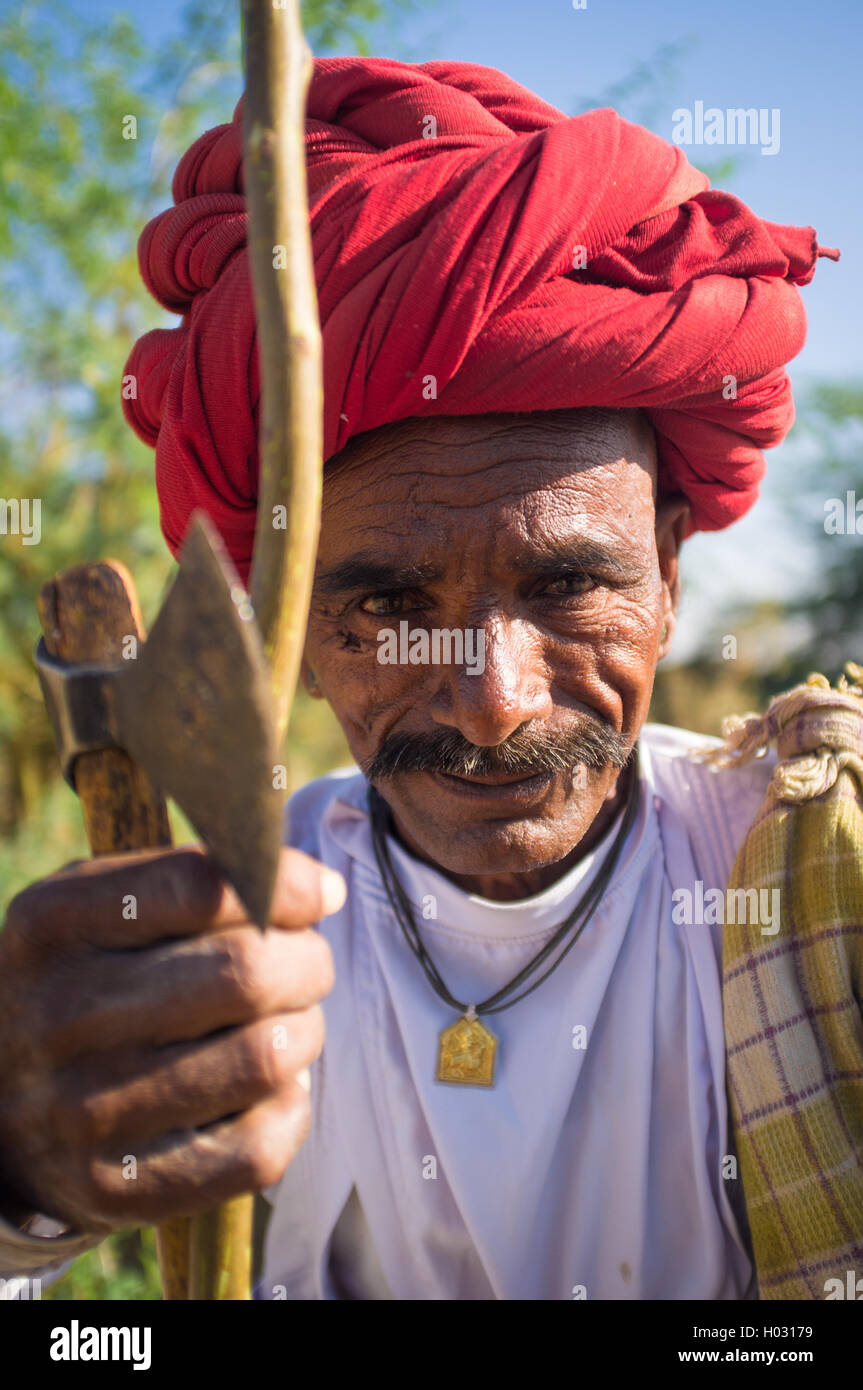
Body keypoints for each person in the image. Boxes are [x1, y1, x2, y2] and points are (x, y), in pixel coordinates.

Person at [0, 58, 852, 1301]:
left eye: (568, 586)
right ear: (288, 629)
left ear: (668, 573)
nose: (493, 702)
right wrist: (22, 1179)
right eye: (387, 606)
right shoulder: (225, 929)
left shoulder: (811, 887)